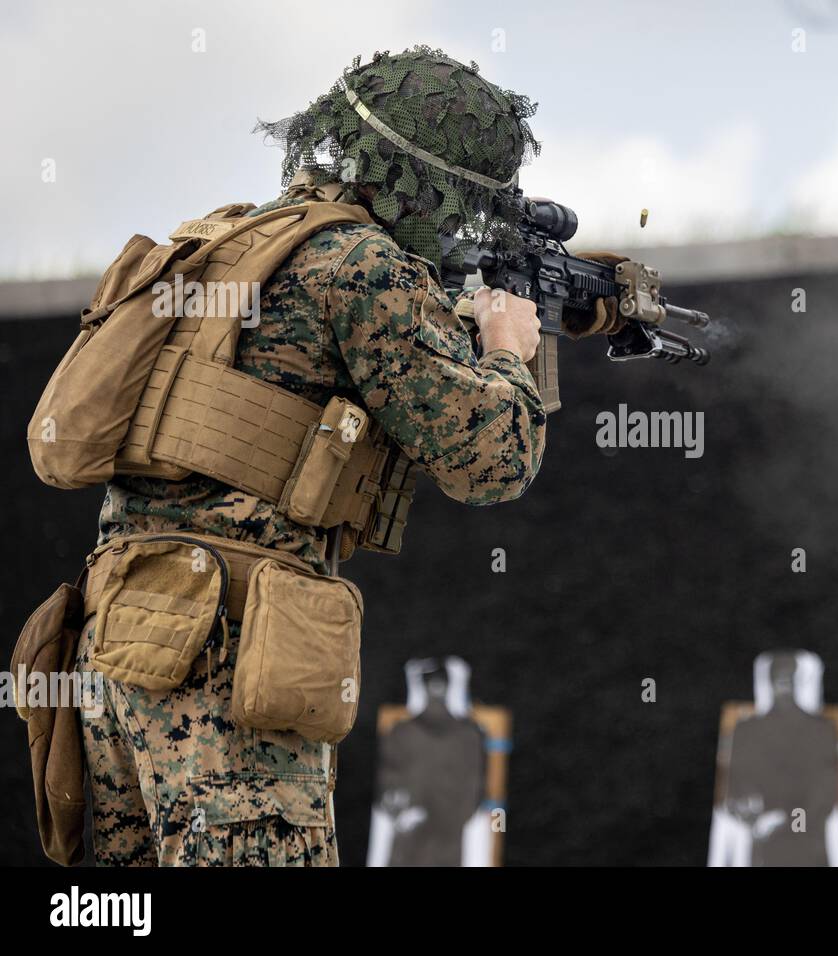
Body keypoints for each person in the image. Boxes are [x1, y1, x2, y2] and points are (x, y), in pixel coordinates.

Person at [76, 47, 596, 867]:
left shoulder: (232, 237)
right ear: (426, 179)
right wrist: (505, 348)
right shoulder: (360, 264)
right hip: (226, 657)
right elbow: (490, 461)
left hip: (119, 641)